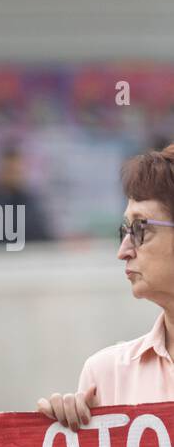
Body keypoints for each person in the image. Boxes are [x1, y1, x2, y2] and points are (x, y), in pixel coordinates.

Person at [39, 144, 174, 427]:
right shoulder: (106, 376)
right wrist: (68, 437)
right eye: (124, 231)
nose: (123, 250)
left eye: (140, 229)